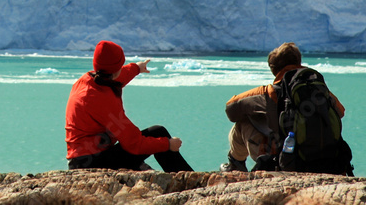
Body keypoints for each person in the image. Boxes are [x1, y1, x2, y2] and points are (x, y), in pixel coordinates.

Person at [65, 40, 193, 171]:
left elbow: (120, 76)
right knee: (157, 132)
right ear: (116, 70)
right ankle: (191, 183)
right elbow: (133, 143)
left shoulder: (89, 80)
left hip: (85, 158)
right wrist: (168, 144)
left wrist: (137, 68)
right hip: (91, 163)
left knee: (147, 169)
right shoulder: (101, 99)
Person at [221, 42, 349, 173]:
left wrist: (263, 114)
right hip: (328, 160)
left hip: (286, 161)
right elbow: (340, 111)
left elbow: (231, 109)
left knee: (244, 122)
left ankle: (236, 164)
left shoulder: (269, 92)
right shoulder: (319, 89)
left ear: (273, 69)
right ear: (299, 62)